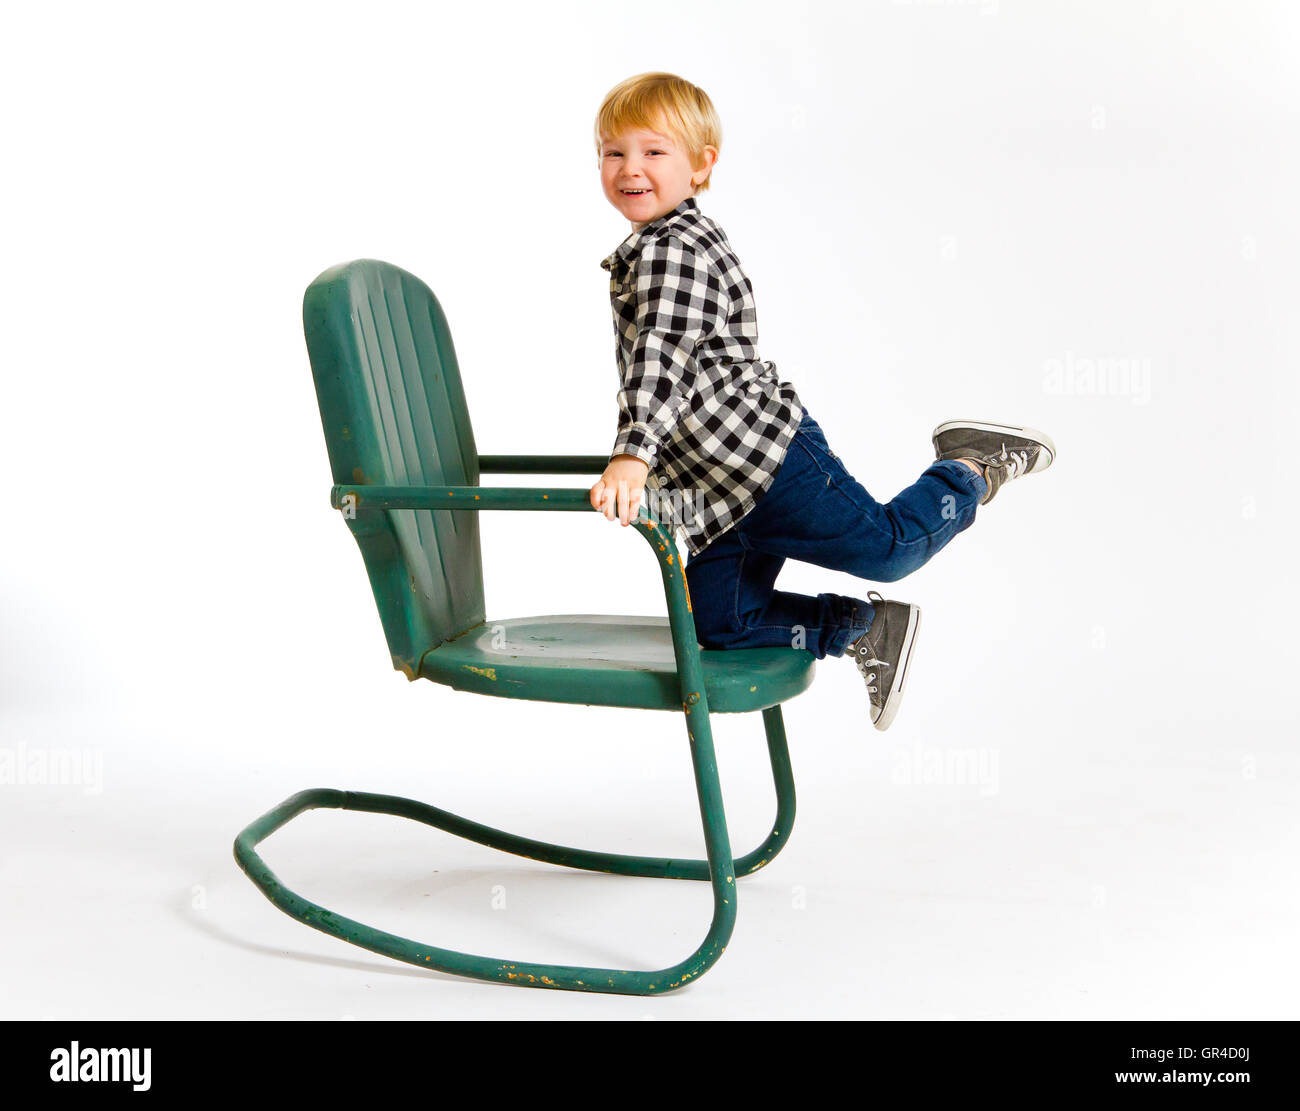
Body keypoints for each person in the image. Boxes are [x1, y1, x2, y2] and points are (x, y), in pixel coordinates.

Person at [589, 72, 1055, 730]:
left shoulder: (673, 251)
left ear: (701, 165)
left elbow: (662, 358)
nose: (629, 168)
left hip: (768, 462)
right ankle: (863, 628)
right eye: (613, 153)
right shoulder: (654, 247)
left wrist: (632, 457)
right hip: (716, 492)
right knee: (721, 624)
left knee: (888, 550)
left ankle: (969, 468)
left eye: (653, 151)